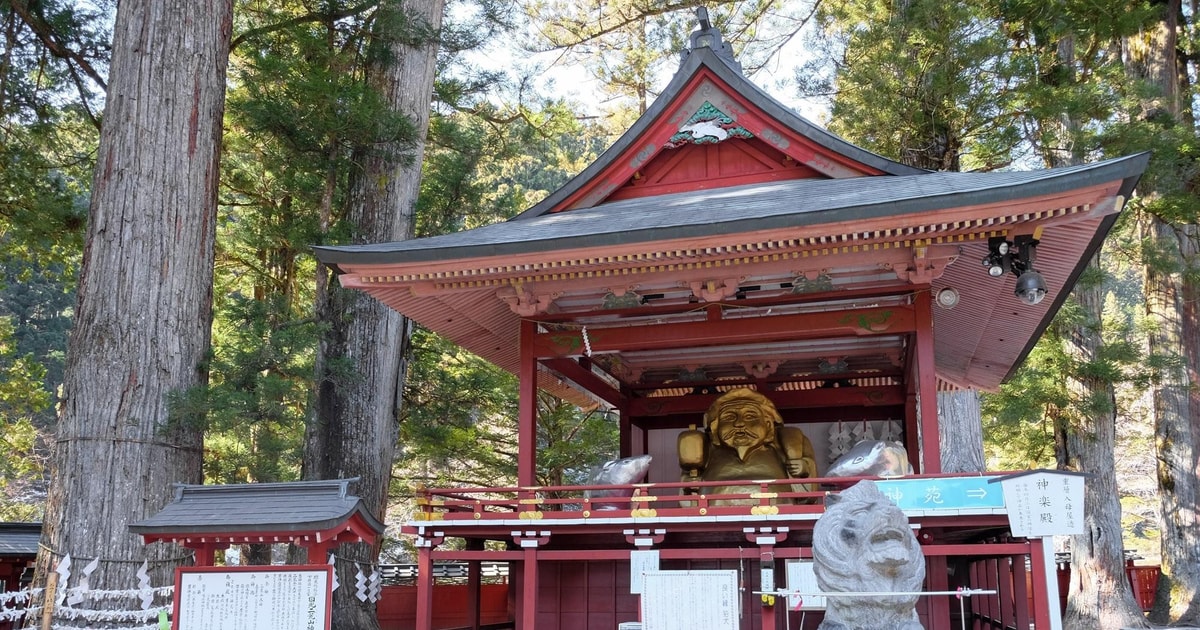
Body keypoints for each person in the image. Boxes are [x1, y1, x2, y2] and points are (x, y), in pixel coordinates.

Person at [678, 388, 817, 504]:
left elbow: (808, 495)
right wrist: (690, 485)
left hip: (777, 508)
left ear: (768, 425)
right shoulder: (707, 451)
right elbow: (687, 494)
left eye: (750, 417)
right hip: (715, 510)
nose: (739, 424)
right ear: (715, 429)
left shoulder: (784, 446)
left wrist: (804, 468)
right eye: (729, 418)